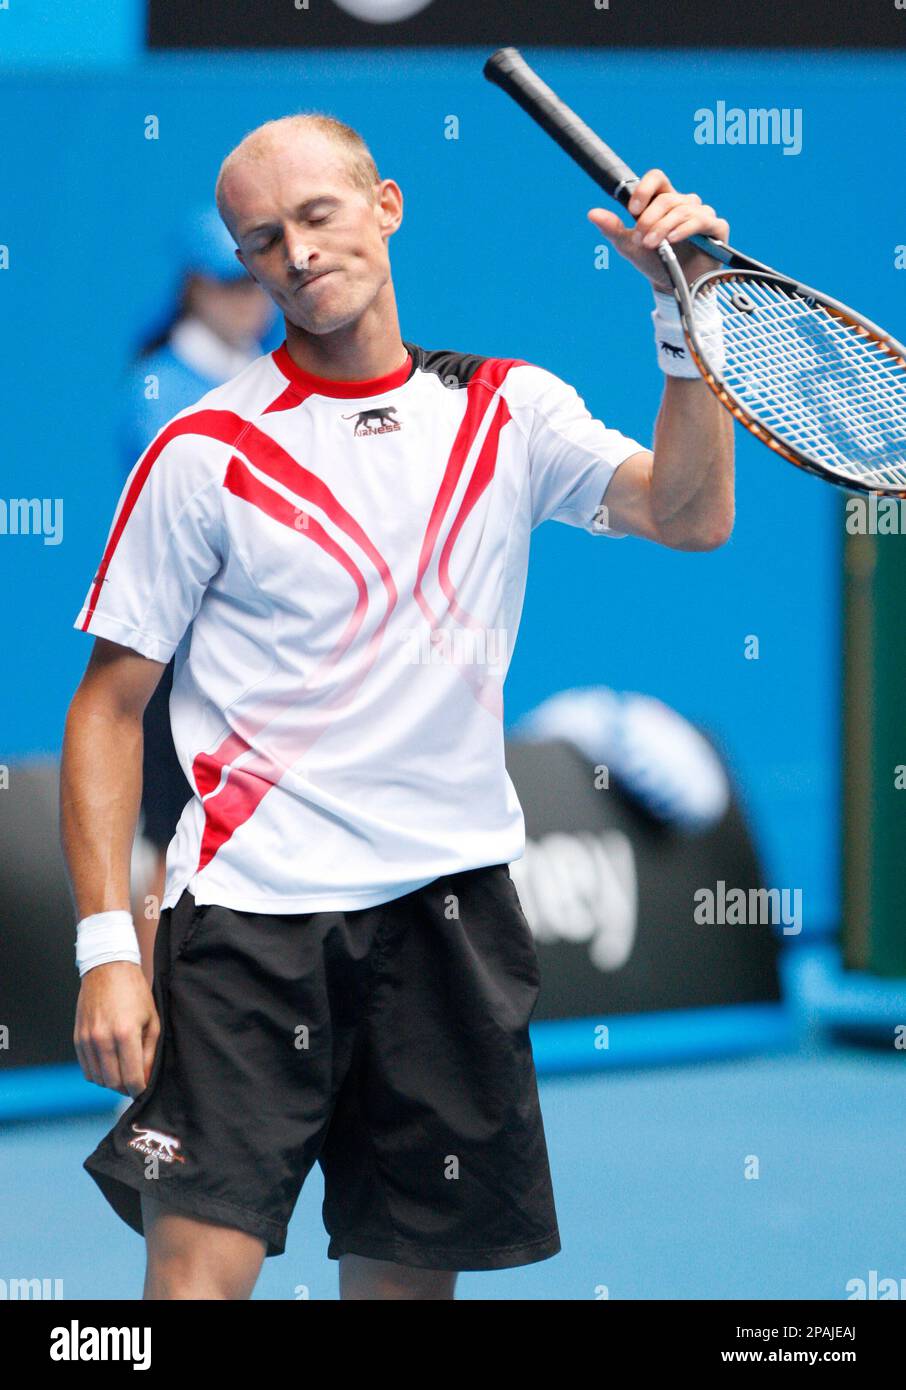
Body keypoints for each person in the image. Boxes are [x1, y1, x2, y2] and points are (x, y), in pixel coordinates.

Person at [60, 112, 734, 1301]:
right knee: (191, 1291)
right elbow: (109, 709)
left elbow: (689, 513)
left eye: (319, 215)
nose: (299, 253)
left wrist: (690, 321)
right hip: (250, 931)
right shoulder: (201, 450)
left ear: (387, 206)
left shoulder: (508, 410)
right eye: (263, 239)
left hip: (449, 925)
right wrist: (110, 946)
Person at [118, 209, 275, 979]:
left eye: (258, 279)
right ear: (192, 286)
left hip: (267, 663)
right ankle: (152, 1039)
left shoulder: (276, 377)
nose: (249, 298)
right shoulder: (159, 391)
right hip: (182, 663)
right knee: (172, 847)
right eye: (228, 280)